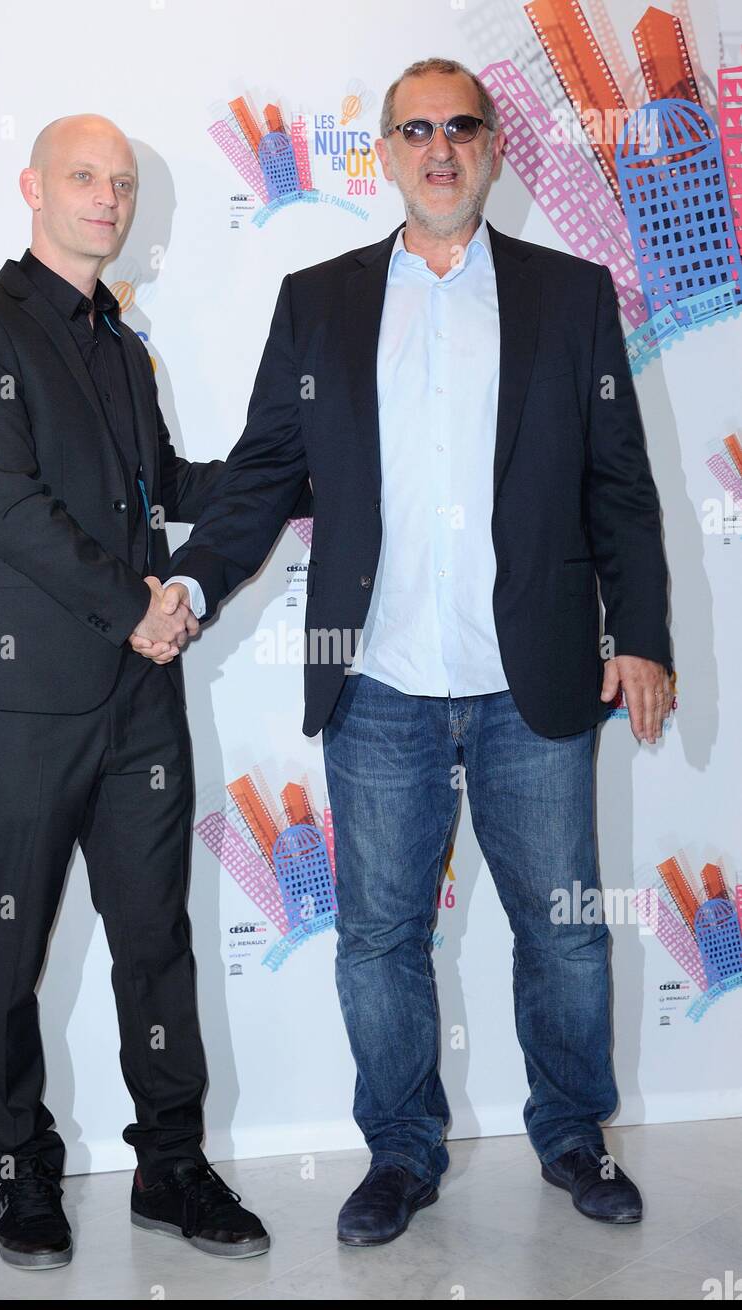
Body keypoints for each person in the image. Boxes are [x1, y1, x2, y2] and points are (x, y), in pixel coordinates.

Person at [135, 59, 674, 1246]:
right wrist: (187, 580)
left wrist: (639, 635)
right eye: (413, 130)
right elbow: (267, 471)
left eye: (460, 128)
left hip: (529, 676)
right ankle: (399, 1152)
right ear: (382, 154)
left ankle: (573, 1134)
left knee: (566, 928)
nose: (438, 148)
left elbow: (618, 488)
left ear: (491, 149)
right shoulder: (318, 300)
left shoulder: (569, 295)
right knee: (379, 936)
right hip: (376, 681)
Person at [0, 113, 308, 1268]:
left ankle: (171, 1165)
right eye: (85, 178)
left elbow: (160, 489)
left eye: (124, 183)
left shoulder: (123, 344)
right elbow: (7, 510)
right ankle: (19, 1164)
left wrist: (302, 464)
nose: (108, 198)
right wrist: (141, 605)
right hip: (24, 700)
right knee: (8, 942)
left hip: (138, 700)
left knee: (156, 940)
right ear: (31, 187)